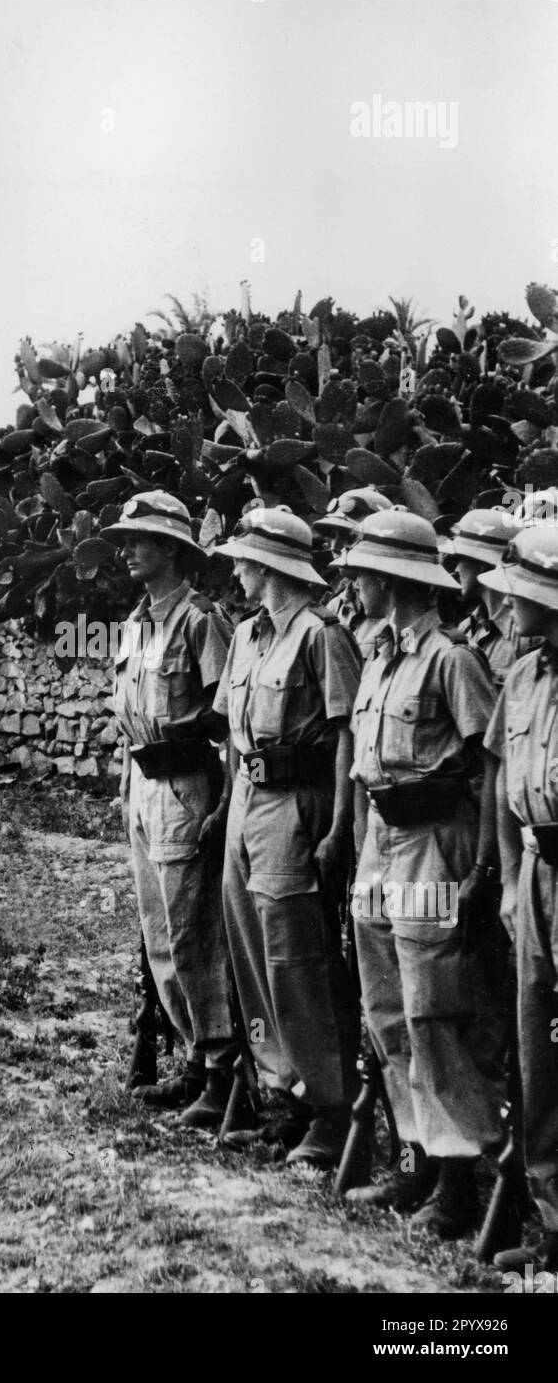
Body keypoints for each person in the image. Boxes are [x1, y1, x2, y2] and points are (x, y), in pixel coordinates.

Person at [338, 510, 504, 1236]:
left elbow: (486, 768)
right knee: (387, 1009)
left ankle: (461, 1177)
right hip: (382, 842)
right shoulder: (378, 656)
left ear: (395, 579)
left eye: (364, 571)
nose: (354, 581)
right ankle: (419, 1157)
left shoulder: (450, 659)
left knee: (433, 1010)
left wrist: (483, 866)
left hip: (435, 844)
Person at [212, 504, 362, 1168]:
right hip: (248, 802)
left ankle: (330, 1106)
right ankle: (280, 1094)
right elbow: (230, 735)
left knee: (297, 958)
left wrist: (337, 828)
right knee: (249, 946)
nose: (237, 567)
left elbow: (345, 737)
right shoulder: (247, 636)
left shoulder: (320, 635)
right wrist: (225, 804)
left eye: (244, 557)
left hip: (298, 805)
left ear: (272, 563)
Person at [105, 492, 238, 1127]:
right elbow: (128, 717)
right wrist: (126, 786)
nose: (128, 549)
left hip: (188, 785)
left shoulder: (199, 622)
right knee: (159, 935)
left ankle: (219, 1069)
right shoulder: (135, 624)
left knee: (193, 936)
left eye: (141, 540)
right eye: (127, 539)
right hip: (145, 786)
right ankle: (191, 1056)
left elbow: (230, 720)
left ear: (173, 550)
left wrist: (228, 801)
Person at [479, 525, 558, 1270]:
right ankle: (551, 1220)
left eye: (525, 596)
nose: (511, 609)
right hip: (535, 873)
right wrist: (507, 878)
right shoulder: (522, 677)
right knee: (536, 1046)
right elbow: (506, 789)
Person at [449, 507, 532, 689]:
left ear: (481, 564)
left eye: (461, 559)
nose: (456, 569)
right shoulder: (467, 629)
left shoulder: (527, 635)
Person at [313, 487, 394, 661]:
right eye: (333, 536)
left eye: (348, 536)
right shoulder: (335, 607)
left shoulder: (395, 607)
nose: (335, 547)